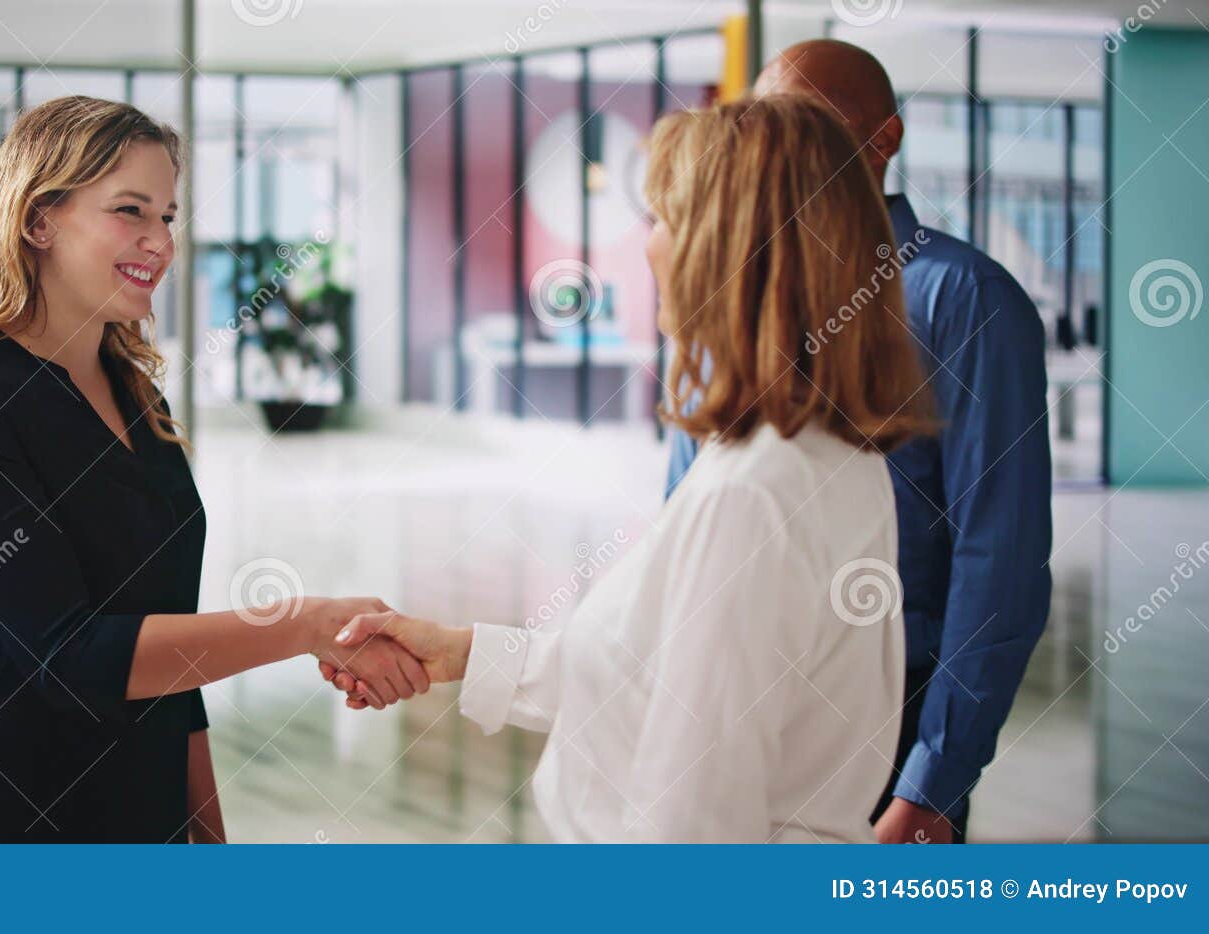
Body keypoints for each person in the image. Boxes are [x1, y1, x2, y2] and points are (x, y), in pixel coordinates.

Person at [325, 95, 937, 842]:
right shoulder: (823, 455)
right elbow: (644, 678)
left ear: (729, 247)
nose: (647, 246)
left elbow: (691, 821)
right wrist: (461, 654)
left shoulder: (753, 495)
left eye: (662, 219)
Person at [0, 96, 427, 843]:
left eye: (168, 216)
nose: (160, 242)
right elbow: (72, 657)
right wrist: (304, 624)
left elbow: (168, 651)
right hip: (6, 821)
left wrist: (205, 835)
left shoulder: (135, 394)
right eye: (130, 211)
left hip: (142, 821)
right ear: (36, 220)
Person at [667, 40, 1054, 843]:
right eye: (772, 124)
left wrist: (934, 782)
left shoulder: (965, 302)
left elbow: (1001, 558)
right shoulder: (732, 299)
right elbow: (681, 525)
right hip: (737, 707)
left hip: (888, 719)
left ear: (886, 140)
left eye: (816, 124)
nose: (789, 147)